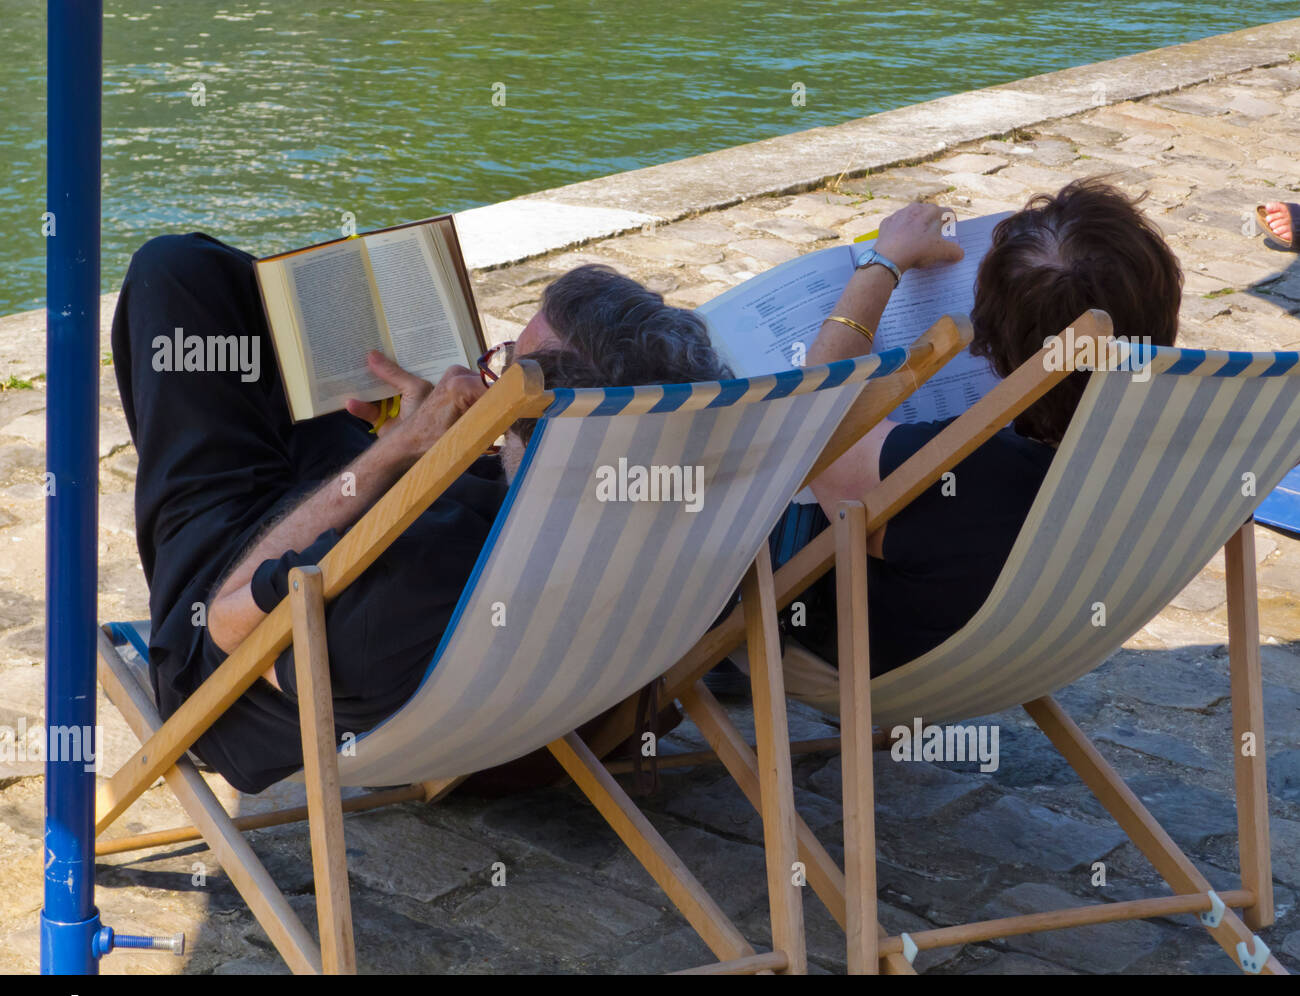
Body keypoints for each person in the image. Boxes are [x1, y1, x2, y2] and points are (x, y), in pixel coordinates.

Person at [111, 235, 726, 793]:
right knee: (225, 285)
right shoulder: (662, 508)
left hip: (219, 651)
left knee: (171, 278)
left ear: (540, 421)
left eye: (508, 366)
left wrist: (399, 449)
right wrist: (416, 451)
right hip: (422, 546)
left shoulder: (407, 598)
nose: (488, 376)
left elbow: (225, 619)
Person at [776, 178, 1184, 701]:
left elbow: (814, 421)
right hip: (1036, 657)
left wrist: (883, 264)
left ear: (992, 345)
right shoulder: (1204, 445)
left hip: (881, 665)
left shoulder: (955, 472)